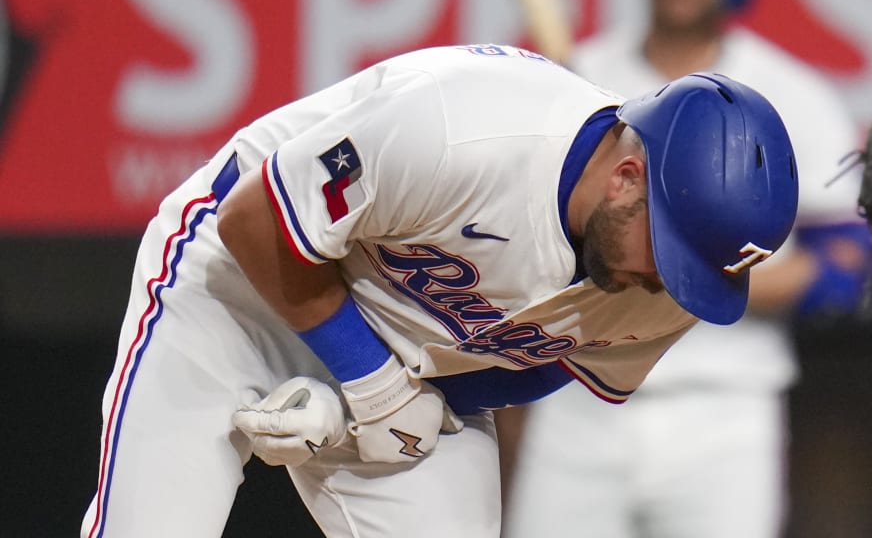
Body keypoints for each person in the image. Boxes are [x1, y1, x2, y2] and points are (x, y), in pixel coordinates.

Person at [81, 44, 800, 538]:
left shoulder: (674, 275)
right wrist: (366, 377)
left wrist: (360, 409)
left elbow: (536, 364)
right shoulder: (465, 128)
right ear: (626, 179)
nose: (667, 283)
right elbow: (255, 219)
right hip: (239, 280)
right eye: (671, 254)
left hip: (409, 358)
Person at [504, 0, 872, 538]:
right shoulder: (578, 79)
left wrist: (689, 269)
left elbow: (847, 266)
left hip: (724, 406)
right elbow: (518, 236)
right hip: (578, 397)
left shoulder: (791, 93)